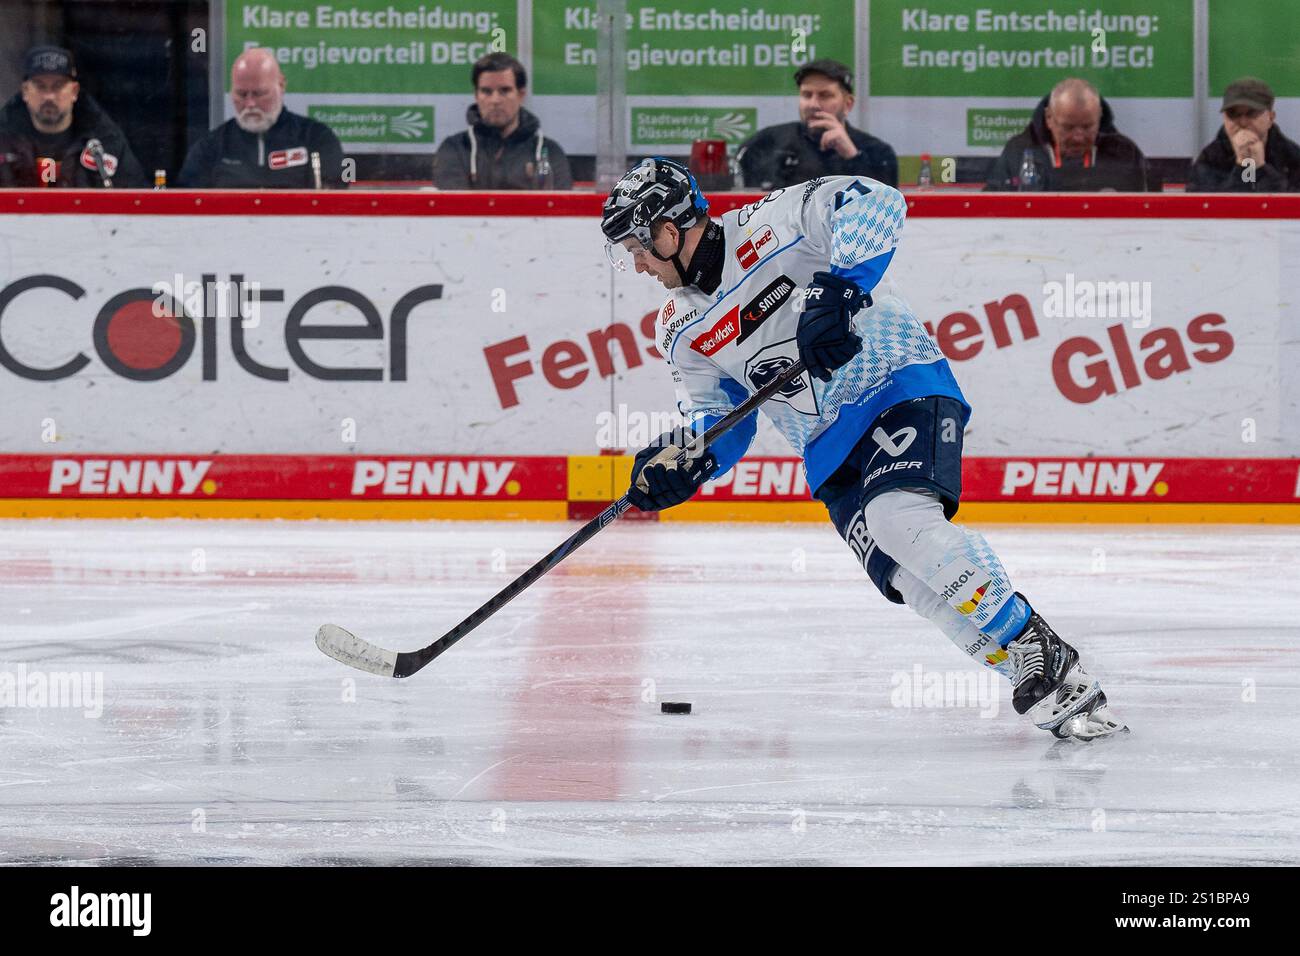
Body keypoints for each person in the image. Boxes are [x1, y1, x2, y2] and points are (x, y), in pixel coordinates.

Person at [602, 158, 1127, 741]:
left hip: (896, 386)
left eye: (638, 246)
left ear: (669, 229)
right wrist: (689, 457)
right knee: (906, 576)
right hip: (827, 449)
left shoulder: (773, 223)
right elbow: (717, 417)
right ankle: (1056, 688)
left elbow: (877, 201)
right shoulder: (678, 327)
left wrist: (838, 289)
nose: (638, 263)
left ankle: (1036, 644)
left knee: (899, 520)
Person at [177, 48, 346, 188]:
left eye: (259, 94)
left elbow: (335, 197)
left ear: (281, 86)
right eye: (242, 94)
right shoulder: (210, 148)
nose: (250, 104)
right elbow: (185, 204)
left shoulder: (316, 139)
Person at [736, 59, 896, 191]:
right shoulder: (767, 142)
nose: (813, 104)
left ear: (848, 104)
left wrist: (852, 156)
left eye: (825, 95)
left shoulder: (878, 153)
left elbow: (885, 210)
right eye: (807, 95)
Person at [0, 45, 145, 188]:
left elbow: (135, 201)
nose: (49, 96)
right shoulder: (3, 140)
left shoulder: (105, 141)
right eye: (40, 86)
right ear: (25, 91)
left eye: (58, 86)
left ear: (74, 91)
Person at [433, 52, 572, 190]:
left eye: (505, 91)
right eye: (486, 91)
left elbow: (561, 209)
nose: (495, 100)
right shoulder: (454, 149)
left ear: (521, 94)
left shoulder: (548, 152)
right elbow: (453, 209)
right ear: (476, 95)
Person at [984, 78, 1148, 191]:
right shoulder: (1019, 151)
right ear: (1049, 118)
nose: (1078, 136)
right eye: (1068, 128)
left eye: (1087, 127)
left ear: (1099, 117)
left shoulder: (1125, 154)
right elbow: (990, 210)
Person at [1189, 77, 1300, 192]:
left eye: (1252, 113)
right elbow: (1204, 206)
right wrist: (1243, 167)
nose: (1243, 122)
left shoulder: (1292, 156)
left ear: (1270, 118)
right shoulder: (1211, 159)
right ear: (1224, 118)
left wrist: (1261, 169)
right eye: (1233, 114)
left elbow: (1291, 205)